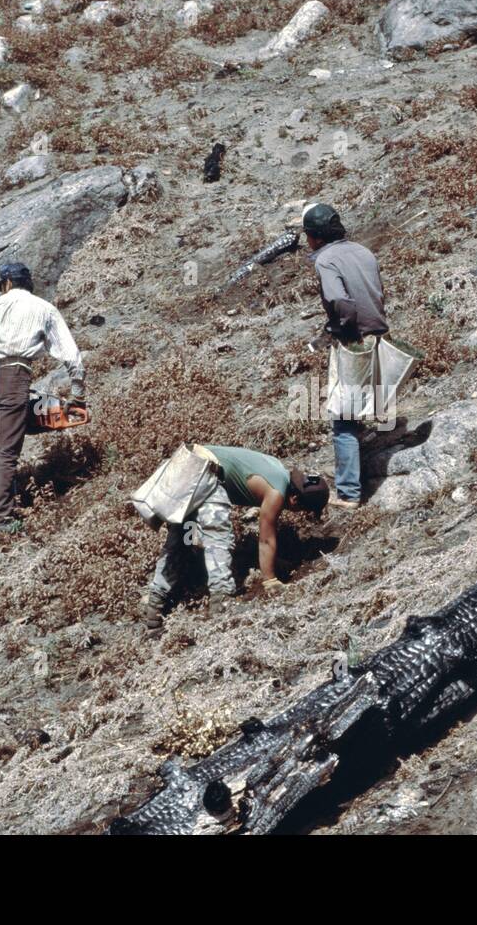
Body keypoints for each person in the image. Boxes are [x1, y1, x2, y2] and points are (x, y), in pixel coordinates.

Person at [0, 262, 86, 534]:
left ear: (7, 283)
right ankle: (1, 521)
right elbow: (71, 355)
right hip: (15, 375)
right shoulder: (43, 308)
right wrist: (78, 393)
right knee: (6, 450)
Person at [141, 445, 329, 637]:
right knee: (218, 538)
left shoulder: (277, 468)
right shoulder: (276, 493)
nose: (297, 514)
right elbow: (266, 539)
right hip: (207, 474)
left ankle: (154, 614)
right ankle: (221, 607)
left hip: (188, 464)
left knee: (181, 541)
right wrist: (270, 580)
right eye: (303, 510)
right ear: (295, 499)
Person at [303, 203, 389, 510]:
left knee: (342, 419)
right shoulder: (364, 251)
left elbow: (339, 298)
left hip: (353, 340)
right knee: (363, 405)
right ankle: (365, 456)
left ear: (314, 237)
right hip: (378, 335)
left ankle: (349, 493)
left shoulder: (325, 260)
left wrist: (339, 326)